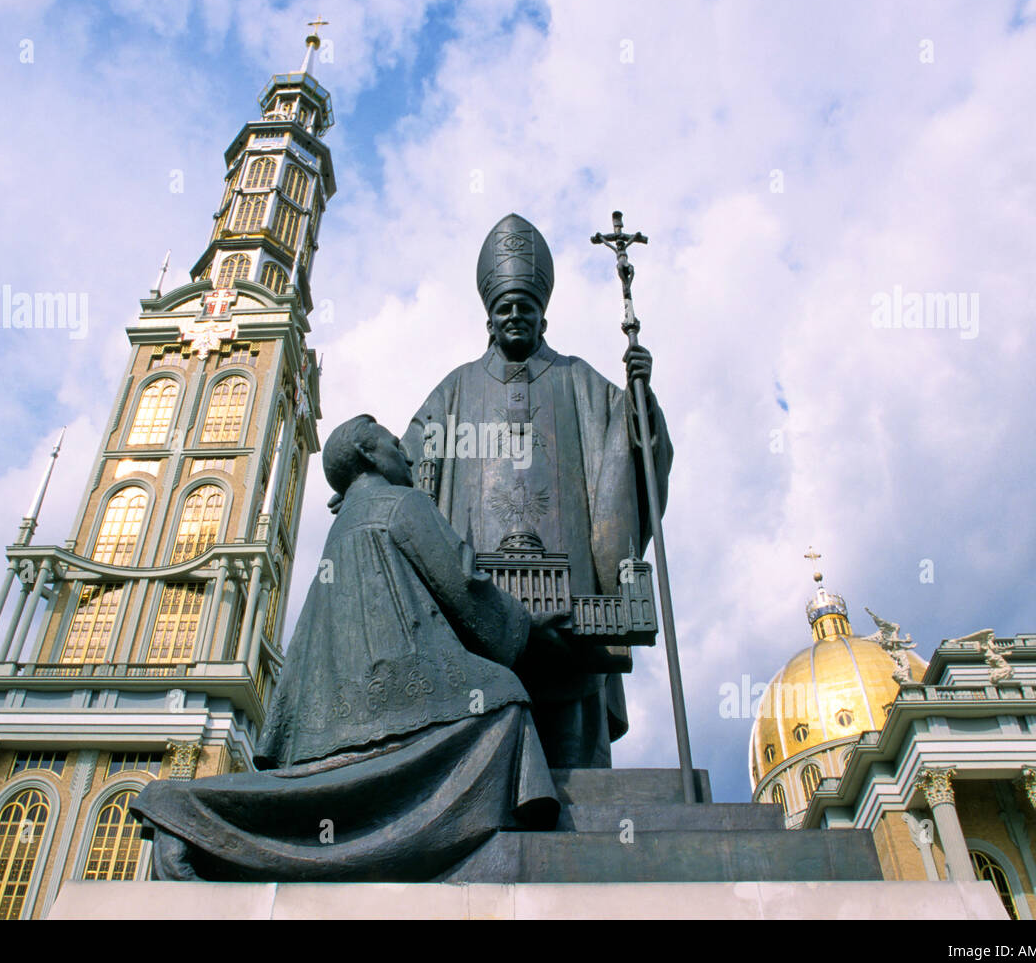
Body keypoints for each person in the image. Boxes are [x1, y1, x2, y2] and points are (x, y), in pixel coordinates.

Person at [131, 415, 562, 881]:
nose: (409, 454)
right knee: (504, 697)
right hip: (393, 686)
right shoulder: (401, 504)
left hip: (329, 708)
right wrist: (528, 626)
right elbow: (465, 587)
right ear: (369, 455)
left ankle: (195, 818)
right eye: (396, 444)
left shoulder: (347, 521)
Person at [400, 213, 673, 768]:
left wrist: (642, 403)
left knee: (572, 765)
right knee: (480, 758)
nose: (517, 316)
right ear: (490, 319)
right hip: (479, 613)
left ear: (544, 315)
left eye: (527, 307)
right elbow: (407, 466)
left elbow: (637, 450)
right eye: (506, 309)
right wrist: (367, 477)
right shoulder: (455, 392)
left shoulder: (578, 380)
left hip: (570, 612)